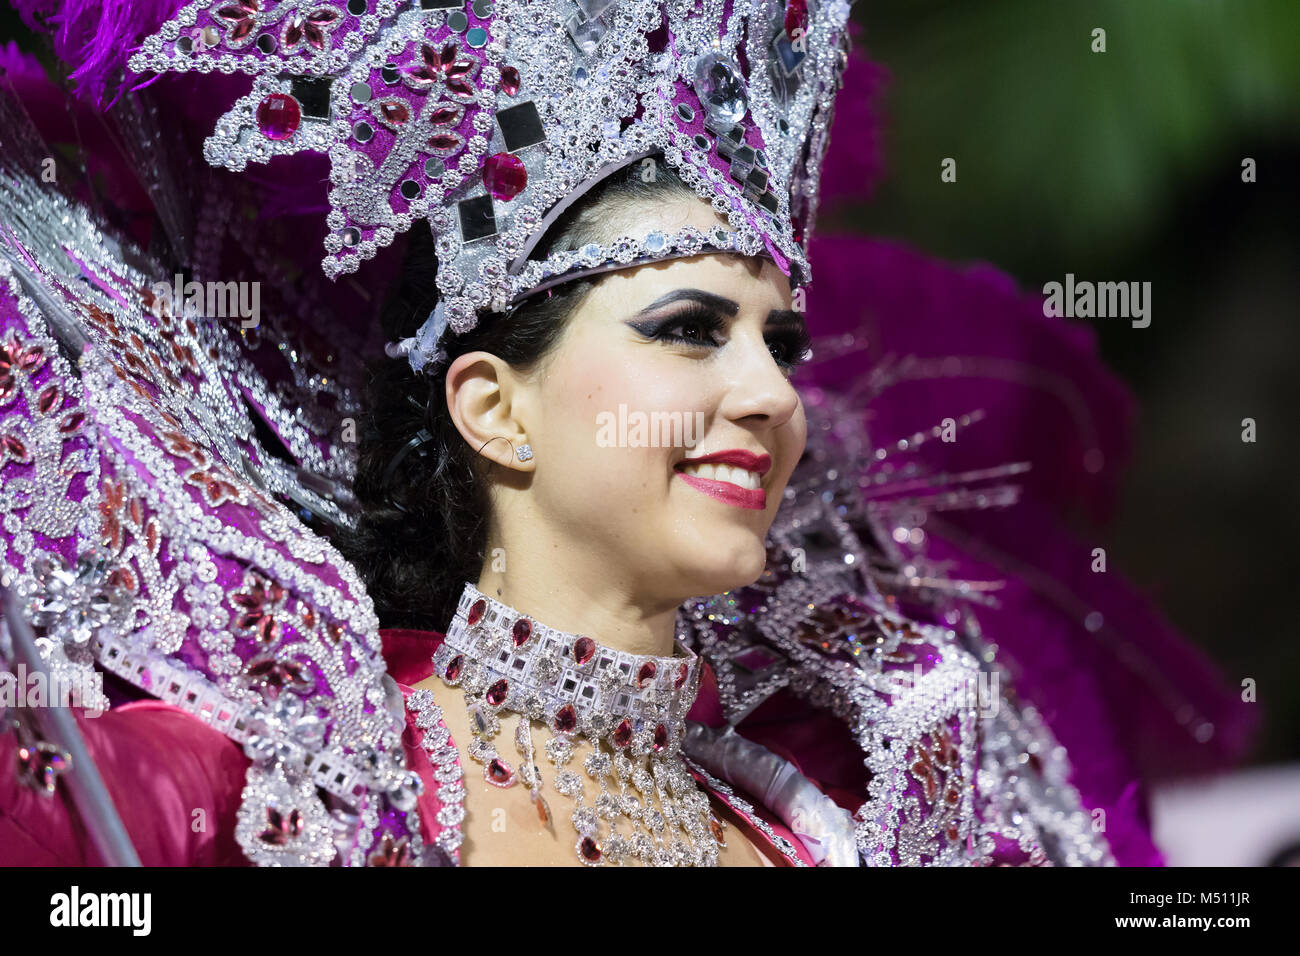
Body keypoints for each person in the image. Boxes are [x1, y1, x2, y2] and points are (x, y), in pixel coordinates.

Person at [0, 0, 1254, 867]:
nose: (770, 396)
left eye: (782, 344)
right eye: (690, 328)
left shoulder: (857, 790)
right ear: (495, 406)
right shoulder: (280, 772)